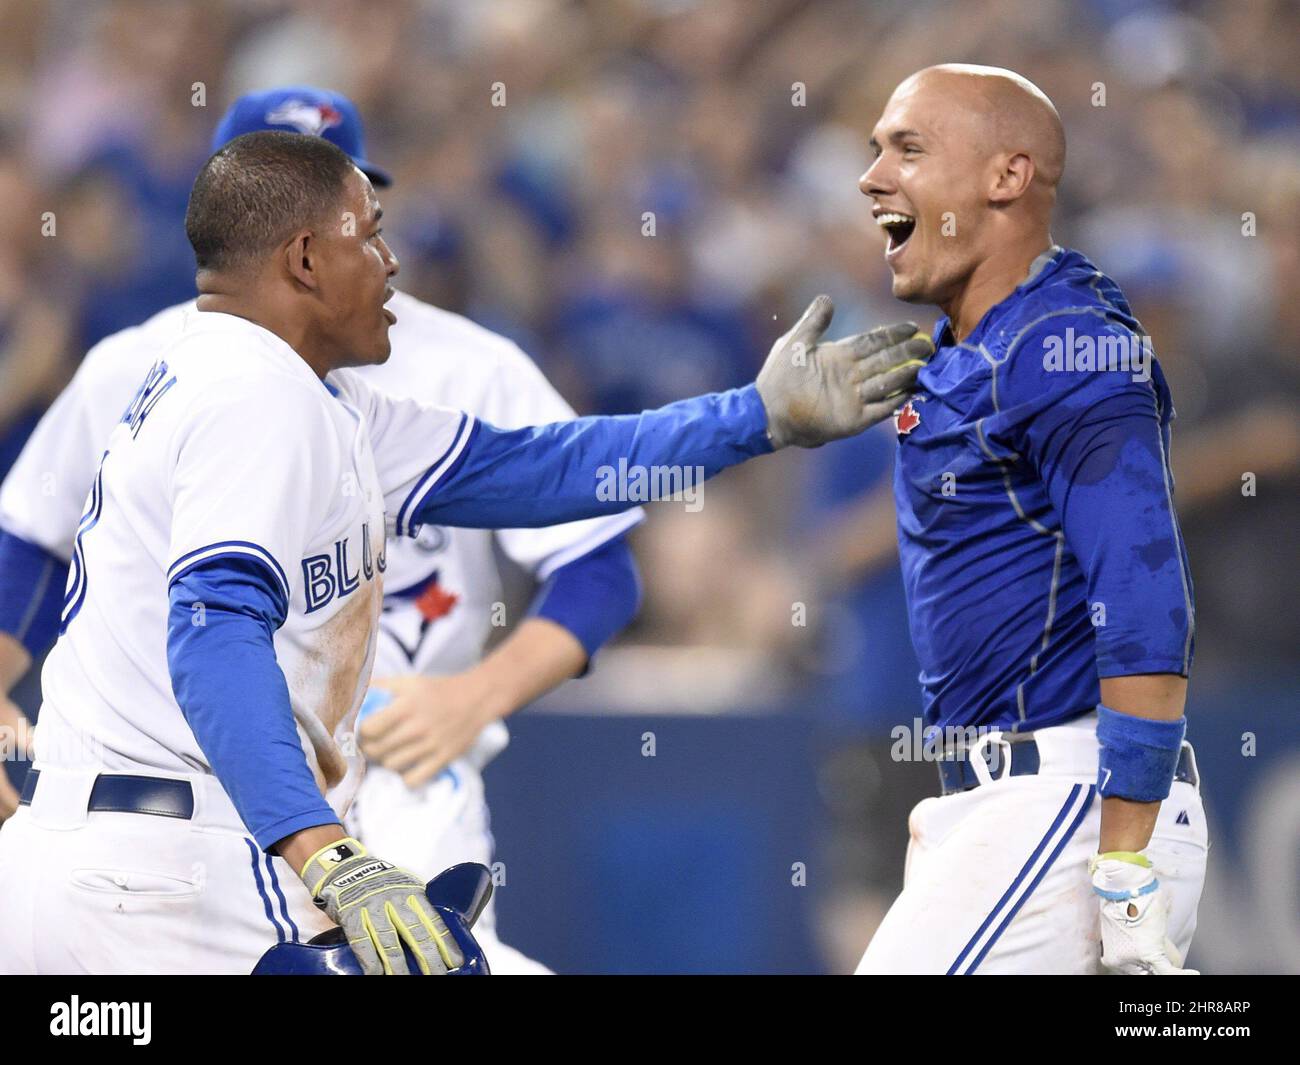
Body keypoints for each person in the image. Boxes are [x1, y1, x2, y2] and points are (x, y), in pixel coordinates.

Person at [0, 129, 929, 975]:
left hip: (113, 859)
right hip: (168, 878)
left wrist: (754, 417)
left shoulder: (290, 388)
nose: (393, 261)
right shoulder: (253, 393)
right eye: (369, 233)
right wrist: (324, 850)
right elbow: (211, 637)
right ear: (306, 259)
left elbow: (542, 468)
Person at [0, 86, 648, 975]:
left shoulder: (468, 361)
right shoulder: (146, 360)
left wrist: (479, 693)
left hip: (404, 764)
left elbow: (599, 563)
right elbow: (33, 542)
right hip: (215, 795)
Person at [854, 64, 1207, 975]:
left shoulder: (1063, 343)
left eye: (910, 147)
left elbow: (1145, 606)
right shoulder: (986, 341)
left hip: (1068, 803)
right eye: (876, 149)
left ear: (1007, 178)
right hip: (1006, 804)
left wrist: (1125, 859)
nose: (872, 175)